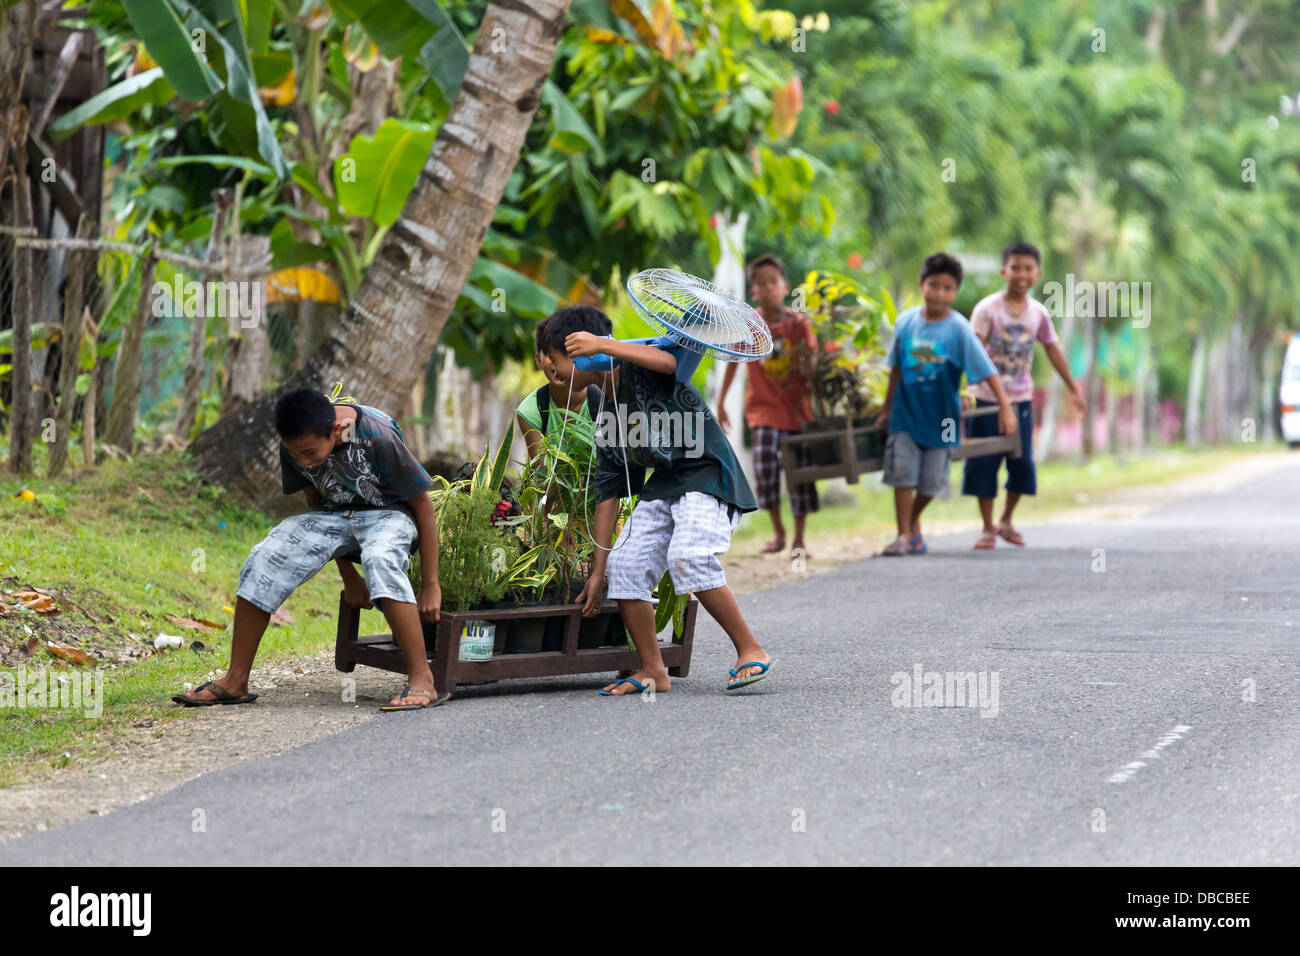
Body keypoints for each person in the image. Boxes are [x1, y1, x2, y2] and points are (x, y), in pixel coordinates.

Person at [172, 388, 444, 711]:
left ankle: (422, 677)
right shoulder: (295, 445)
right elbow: (318, 506)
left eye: (309, 452)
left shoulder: (377, 436)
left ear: (334, 431)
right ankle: (236, 680)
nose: (302, 461)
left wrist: (431, 586)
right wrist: (349, 577)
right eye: (295, 454)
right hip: (334, 516)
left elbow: (424, 508)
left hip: (392, 515)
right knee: (264, 556)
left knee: (379, 558)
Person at [566, 317, 777, 695]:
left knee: (689, 556)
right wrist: (598, 572)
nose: (551, 369)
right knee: (625, 564)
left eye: (558, 357)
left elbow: (670, 364)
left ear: (588, 349)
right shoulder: (608, 418)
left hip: (707, 473)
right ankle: (652, 669)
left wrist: (606, 345)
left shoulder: (643, 363)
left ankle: (750, 650)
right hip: (665, 483)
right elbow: (608, 493)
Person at [876, 253, 1016, 556]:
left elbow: (986, 367)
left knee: (932, 482)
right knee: (903, 475)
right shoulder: (906, 322)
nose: (940, 293)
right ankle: (902, 535)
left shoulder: (959, 328)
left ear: (955, 291)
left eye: (948, 288)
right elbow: (896, 368)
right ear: (921, 284)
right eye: (934, 285)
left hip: (945, 418)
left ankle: (913, 521)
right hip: (906, 414)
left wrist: (1005, 407)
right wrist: (886, 409)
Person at [963, 241, 1086, 549]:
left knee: (1023, 464)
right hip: (986, 400)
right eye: (1015, 267)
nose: (1021, 273)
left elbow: (1053, 351)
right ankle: (987, 527)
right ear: (1004, 271)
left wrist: (1074, 388)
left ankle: (1006, 520)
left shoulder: (1038, 314)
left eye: (1028, 268)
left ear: (1038, 274)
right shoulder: (987, 309)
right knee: (984, 463)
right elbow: (972, 350)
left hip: (1021, 400)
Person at [716, 253, 819, 558]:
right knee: (765, 472)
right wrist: (721, 402)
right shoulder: (751, 324)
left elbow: (813, 365)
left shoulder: (799, 325)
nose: (769, 287)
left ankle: (799, 539)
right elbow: (734, 362)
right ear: (754, 292)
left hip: (797, 413)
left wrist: (809, 362)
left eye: (773, 281)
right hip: (763, 411)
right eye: (761, 283)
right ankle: (779, 533)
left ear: (785, 286)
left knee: (800, 475)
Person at [516, 305, 614, 468]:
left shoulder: (607, 401)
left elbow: (613, 470)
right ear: (538, 360)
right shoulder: (532, 410)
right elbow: (543, 473)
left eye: (566, 355)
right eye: (550, 356)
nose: (556, 366)